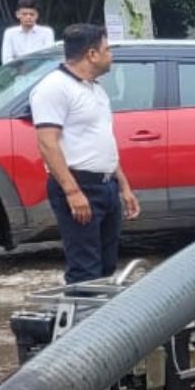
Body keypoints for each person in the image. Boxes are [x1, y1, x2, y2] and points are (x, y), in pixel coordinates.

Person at [29, 24, 141, 284]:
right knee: (85, 269)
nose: (111, 55)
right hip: (79, 186)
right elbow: (47, 143)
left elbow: (103, 140)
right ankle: (83, 322)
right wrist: (72, 191)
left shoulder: (95, 88)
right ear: (92, 54)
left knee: (107, 266)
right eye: (107, 49)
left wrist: (123, 186)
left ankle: (104, 322)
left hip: (106, 185)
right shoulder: (54, 88)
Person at [2, 0, 56, 64]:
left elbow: (49, 56)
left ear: (37, 15)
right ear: (17, 15)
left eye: (32, 14)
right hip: (17, 71)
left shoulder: (47, 32)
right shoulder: (10, 33)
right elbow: (6, 59)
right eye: (24, 14)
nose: (28, 17)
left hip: (41, 70)